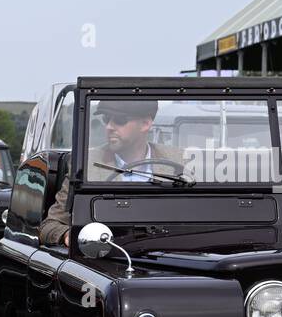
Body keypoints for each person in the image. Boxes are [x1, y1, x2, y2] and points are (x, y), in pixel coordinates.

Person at [40, 100, 180, 247]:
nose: (109, 127)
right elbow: (49, 226)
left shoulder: (177, 161)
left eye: (120, 120)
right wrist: (69, 235)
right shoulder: (86, 165)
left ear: (145, 124)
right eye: (106, 119)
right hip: (105, 256)